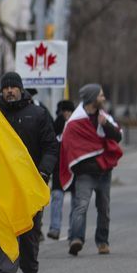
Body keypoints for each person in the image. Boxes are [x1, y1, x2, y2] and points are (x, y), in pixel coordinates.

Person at [0, 72, 58, 273]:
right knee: (2, 230)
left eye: (13, 87)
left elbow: (50, 146)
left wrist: (44, 172)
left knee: (28, 233)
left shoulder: (37, 114)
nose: (9, 91)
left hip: (29, 185)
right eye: (6, 87)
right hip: (1, 185)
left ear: (20, 89)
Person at [61, 83, 123, 257]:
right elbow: (70, 148)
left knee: (104, 208)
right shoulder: (75, 122)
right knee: (80, 206)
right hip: (85, 173)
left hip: (104, 172)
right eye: (101, 95)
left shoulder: (104, 117)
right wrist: (87, 166)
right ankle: (76, 239)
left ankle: (102, 242)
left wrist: (106, 126)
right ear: (92, 98)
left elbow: (117, 136)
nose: (103, 98)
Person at [47, 100, 76, 240]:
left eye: (68, 111)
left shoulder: (77, 125)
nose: (66, 114)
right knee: (57, 197)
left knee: (76, 201)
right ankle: (55, 228)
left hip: (75, 168)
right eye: (64, 111)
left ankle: (74, 231)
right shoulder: (56, 126)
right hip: (59, 168)